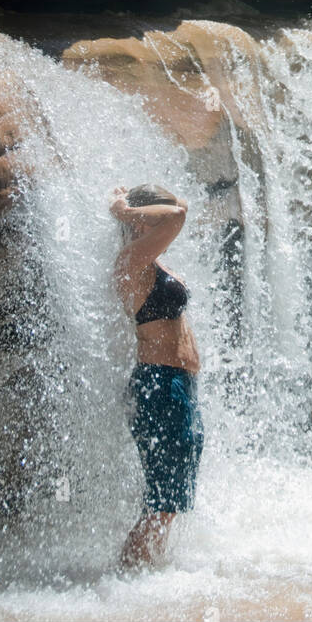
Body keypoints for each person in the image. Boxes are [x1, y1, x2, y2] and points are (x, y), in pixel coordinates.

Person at [110, 184, 203, 570]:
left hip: (178, 386)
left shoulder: (154, 262)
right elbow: (176, 216)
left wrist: (135, 202)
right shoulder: (131, 262)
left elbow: (179, 206)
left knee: (170, 499)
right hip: (159, 385)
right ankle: (130, 576)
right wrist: (123, 210)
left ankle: (149, 570)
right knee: (163, 503)